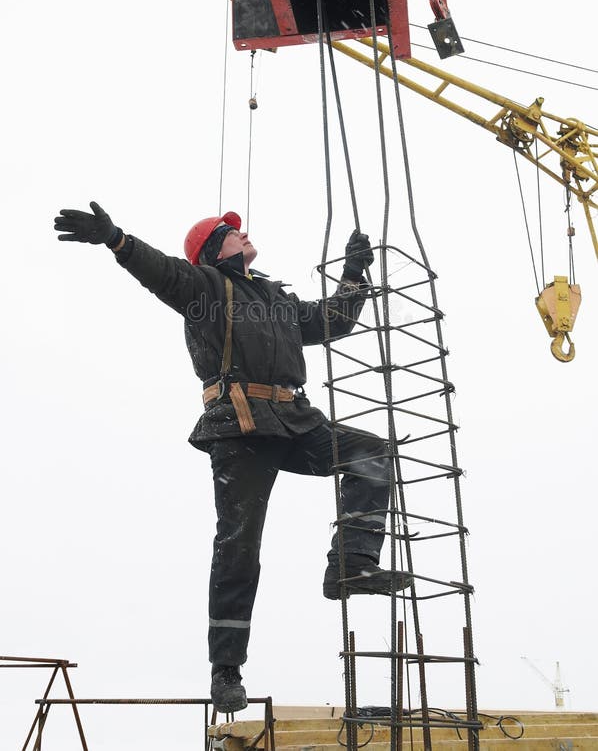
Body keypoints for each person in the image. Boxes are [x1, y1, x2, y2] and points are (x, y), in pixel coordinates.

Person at [54, 202, 411, 713]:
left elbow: (334, 322)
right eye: (230, 234)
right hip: (240, 427)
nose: (242, 236)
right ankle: (226, 670)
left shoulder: (275, 297)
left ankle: (352, 564)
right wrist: (116, 239)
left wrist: (355, 272)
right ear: (213, 251)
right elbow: (160, 272)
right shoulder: (204, 289)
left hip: (294, 421)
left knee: (373, 454)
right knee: (239, 544)